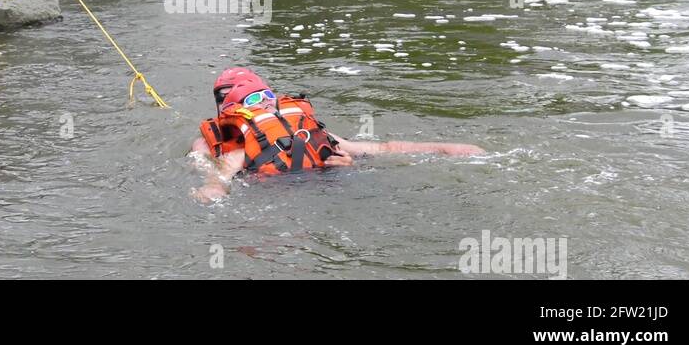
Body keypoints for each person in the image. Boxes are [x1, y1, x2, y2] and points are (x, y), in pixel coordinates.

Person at [191, 68, 486, 202]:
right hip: (319, 185)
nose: (266, 105)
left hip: (286, 191)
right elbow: (382, 149)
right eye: (256, 100)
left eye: (267, 97)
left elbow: (215, 180)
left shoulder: (220, 145)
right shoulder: (294, 128)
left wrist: (441, 148)